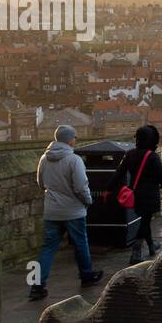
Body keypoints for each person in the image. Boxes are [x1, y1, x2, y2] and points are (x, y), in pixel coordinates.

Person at [30, 124, 103, 300]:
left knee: (48, 248)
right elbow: (80, 187)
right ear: (70, 139)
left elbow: (41, 183)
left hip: (52, 211)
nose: (75, 140)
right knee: (80, 243)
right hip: (73, 211)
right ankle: (86, 276)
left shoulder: (44, 159)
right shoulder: (74, 160)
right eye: (74, 137)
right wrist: (88, 201)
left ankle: (36, 286)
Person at [108, 124, 162, 265]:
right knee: (145, 221)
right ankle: (136, 251)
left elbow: (119, 174)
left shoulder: (129, 154)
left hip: (135, 194)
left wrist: (108, 189)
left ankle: (152, 245)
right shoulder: (152, 156)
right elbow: (161, 177)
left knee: (144, 220)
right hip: (150, 195)